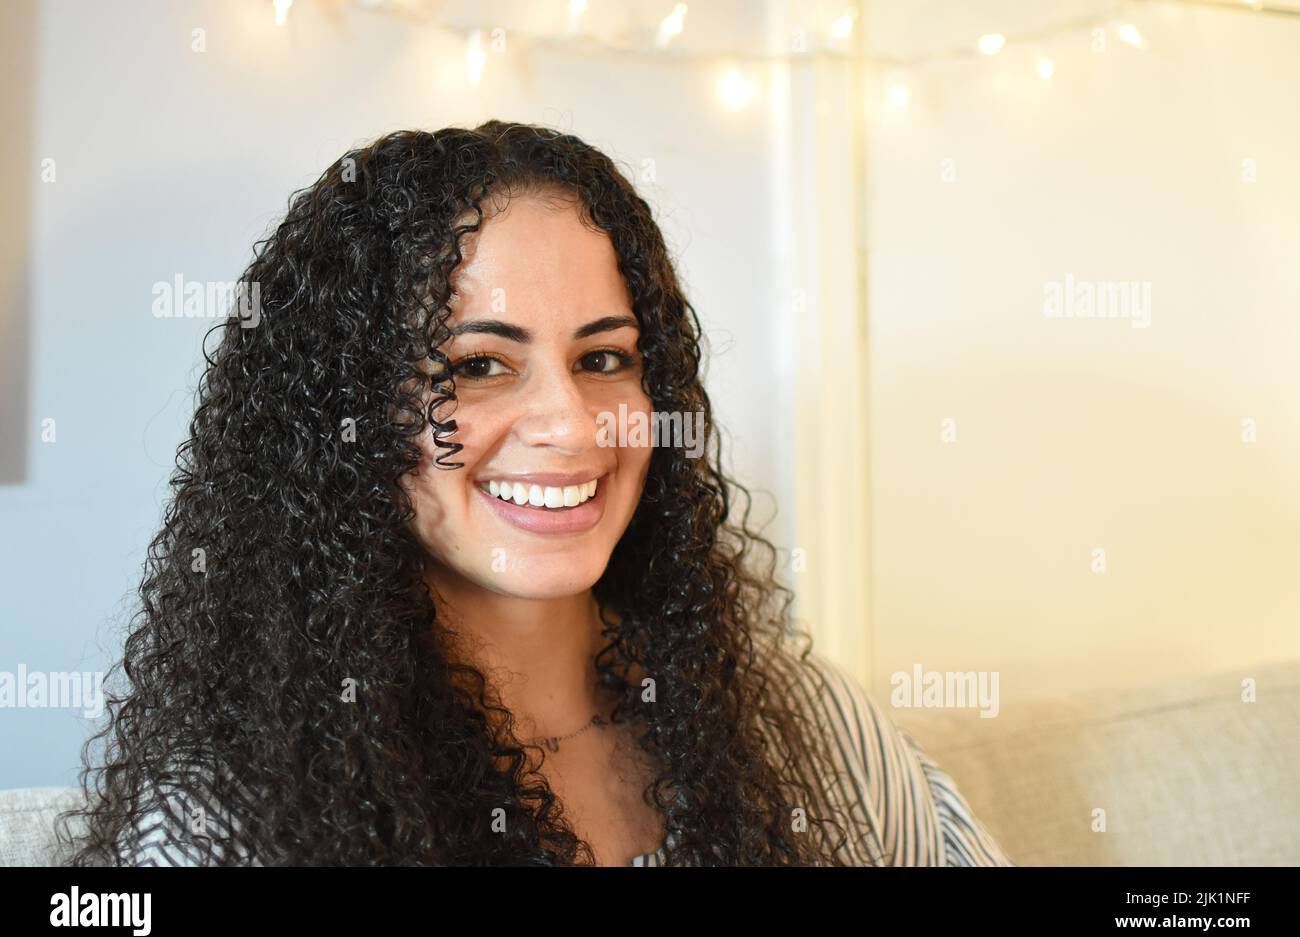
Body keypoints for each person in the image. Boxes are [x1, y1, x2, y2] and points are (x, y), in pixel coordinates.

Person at [57, 121, 1013, 867]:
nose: (574, 423)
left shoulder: (802, 723)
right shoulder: (227, 820)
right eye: (478, 366)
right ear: (342, 421)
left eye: (604, 358)